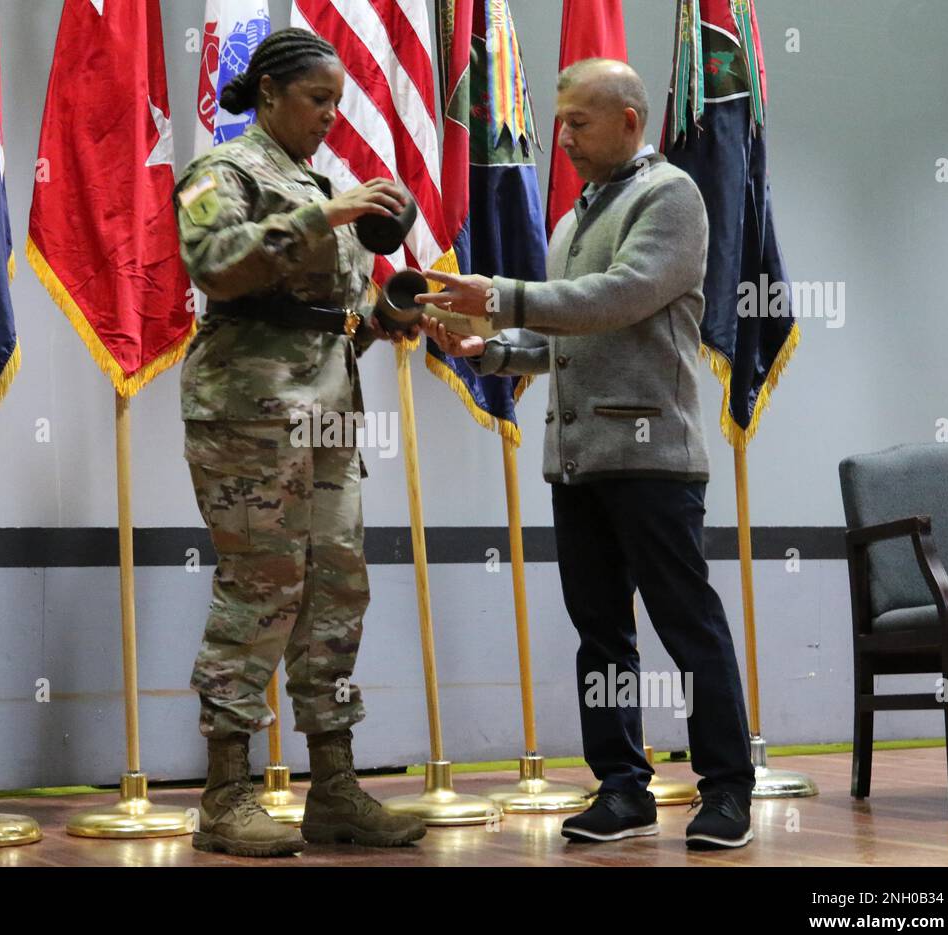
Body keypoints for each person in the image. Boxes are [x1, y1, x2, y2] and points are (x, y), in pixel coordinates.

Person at [420, 58, 756, 850]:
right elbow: (560, 335)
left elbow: (619, 298)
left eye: (578, 121)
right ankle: (621, 786)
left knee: (687, 627)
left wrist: (497, 292)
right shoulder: (573, 219)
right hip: (577, 461)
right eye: (563, 120)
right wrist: (487, 347)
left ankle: (727, 790)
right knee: (599, 634)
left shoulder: (671, 196)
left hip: (652, 459)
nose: (561, 136)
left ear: (630, 122)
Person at [173, 27, 427, 857]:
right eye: (318, 100)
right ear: (272, 92)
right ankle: (224, 796)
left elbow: (325, 316)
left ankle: (337, 791)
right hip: (248, 414)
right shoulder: (221, 173)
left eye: (335, 103)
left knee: (336, 590)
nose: (328, 116)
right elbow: (215, 264)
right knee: (261, 586)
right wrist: (329, 212)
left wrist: (389, 317)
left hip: (325, 411)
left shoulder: (322, 180)